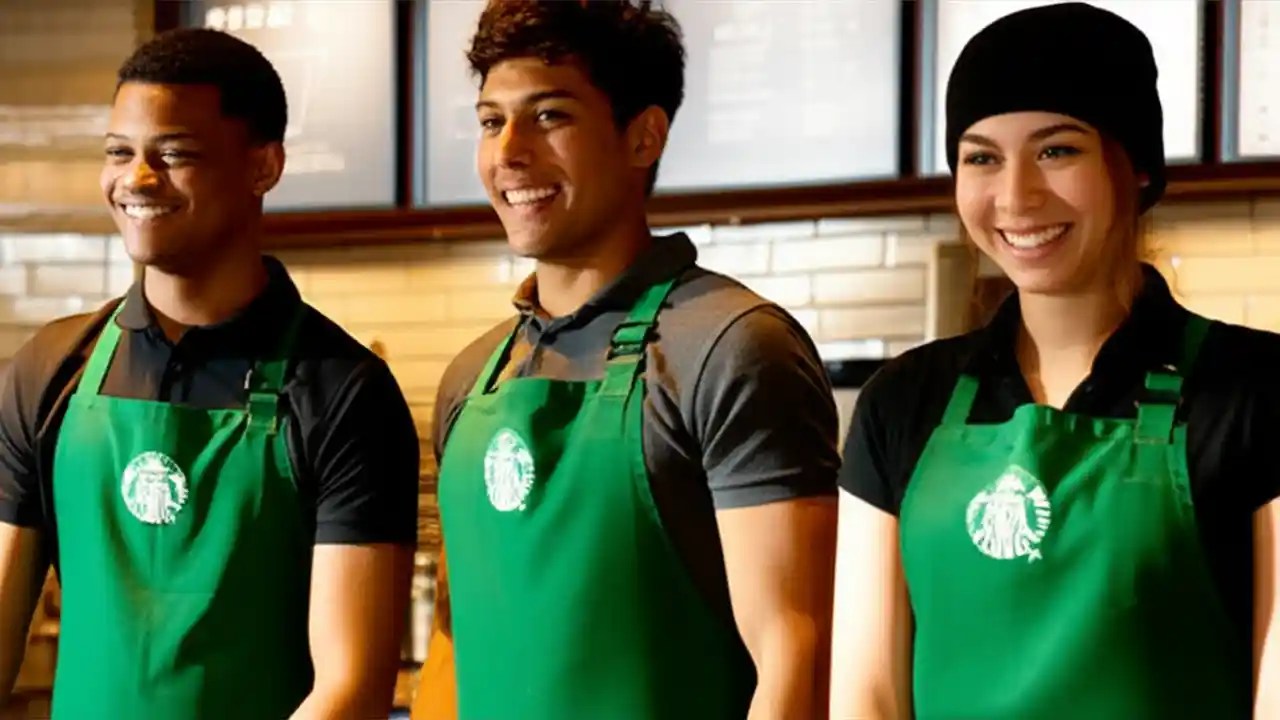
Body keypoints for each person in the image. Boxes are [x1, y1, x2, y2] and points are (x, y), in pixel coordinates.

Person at [829, 3, 1280, 718]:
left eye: (1056, 151)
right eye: (982, 158)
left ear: (1136, 167)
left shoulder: (1255, 390)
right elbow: (866, 696)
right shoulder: (903, 401)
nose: (1016, 196)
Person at [410, 2, 840, 718]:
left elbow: (797, 655)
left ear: (644, 136)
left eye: (549, 116)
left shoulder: (733, 348)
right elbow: (456, 645)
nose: (509, 151)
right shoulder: (472, 378)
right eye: (491, 121)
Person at [0, 28, 420, 720]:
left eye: (174, 154)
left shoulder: (344, 393)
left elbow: (350, 689)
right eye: (120, 152)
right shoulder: (49, 372)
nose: (137, 179)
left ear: (264, 166)